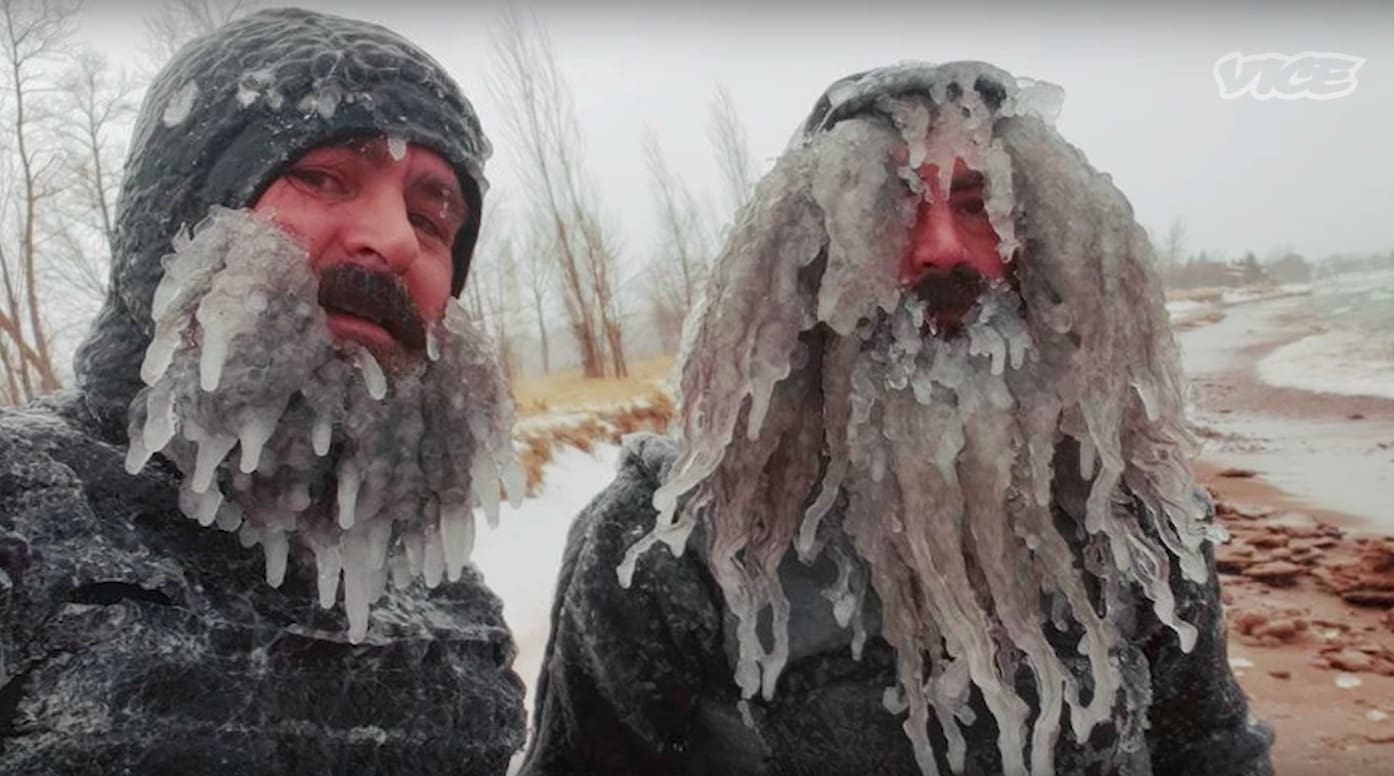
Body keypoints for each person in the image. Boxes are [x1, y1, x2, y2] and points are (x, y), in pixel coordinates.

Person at [521, 62, 1274, 776]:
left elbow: (1209, 747)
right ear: (804, 255)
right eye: (887, 203)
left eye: (980, 205)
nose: (941, 249)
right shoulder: (665, 548)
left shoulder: (1133, 520)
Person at [0, 9, 527, 774]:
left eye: (431, 216)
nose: (398, 239)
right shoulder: (18, 518)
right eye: (321, 176)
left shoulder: (448, 589)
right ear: (178, 218)